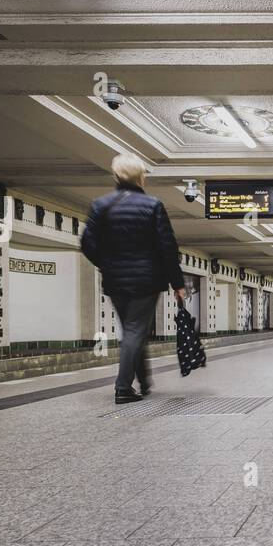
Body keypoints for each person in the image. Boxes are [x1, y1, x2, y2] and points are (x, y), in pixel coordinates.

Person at [80, 153, 186, 404]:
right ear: (142, 178)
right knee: (136, 330)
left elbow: (87, 244)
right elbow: (167, 247)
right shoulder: (152, 206)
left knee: (133, 329)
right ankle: (123, 388)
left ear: (116, 176)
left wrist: (107, 265)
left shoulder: (100, 205)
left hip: (115, 280)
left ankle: (144, 381)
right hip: (147, 279)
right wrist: (177, 283)